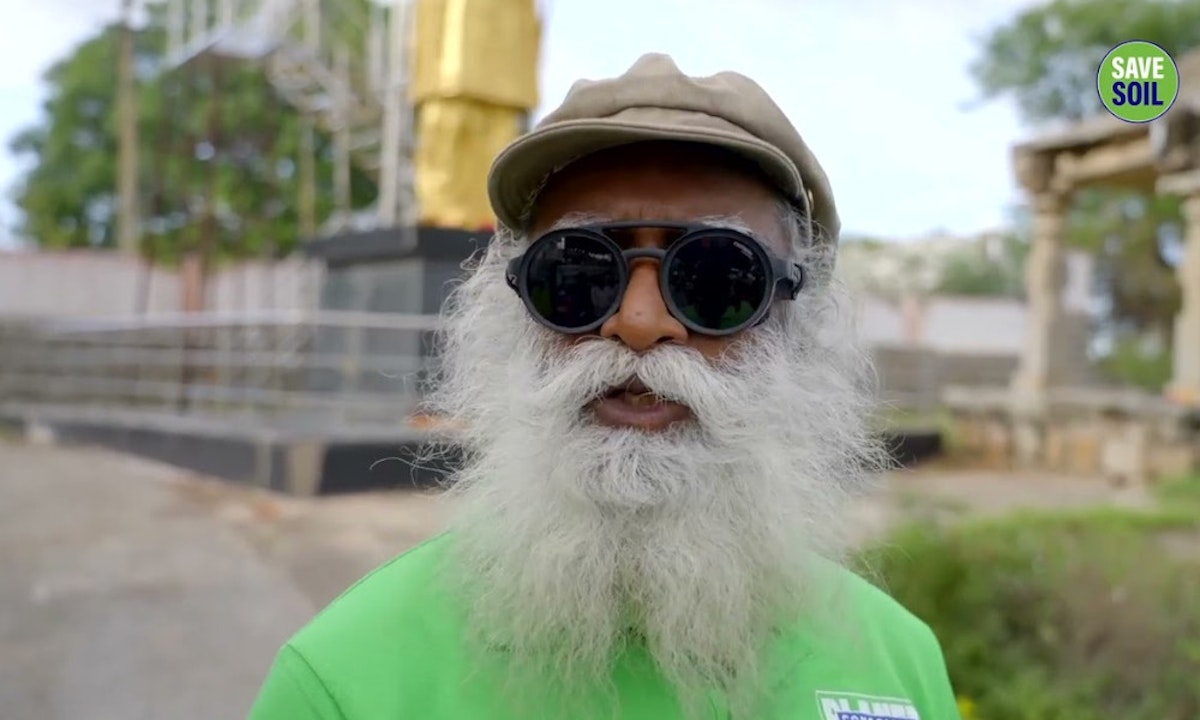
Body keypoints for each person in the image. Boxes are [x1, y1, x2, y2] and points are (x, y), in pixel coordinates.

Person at [247, 53, 962, 720]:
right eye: (578, 273)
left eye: (717, 277)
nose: (639, 322)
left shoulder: (900, 664)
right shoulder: (341, 682)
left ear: (798, 325)